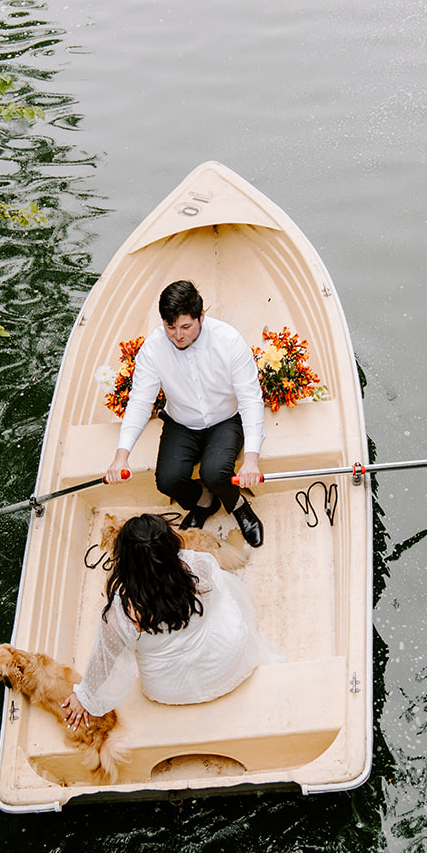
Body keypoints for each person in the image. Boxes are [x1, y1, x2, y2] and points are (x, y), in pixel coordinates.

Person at [62, 513, 274, 726]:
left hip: (169, 689)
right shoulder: (199, 565)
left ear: (124, 560)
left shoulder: (120, 612)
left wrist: (84, 697)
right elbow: (218, 594)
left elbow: (102, 661)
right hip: (226, 666)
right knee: (225, 590)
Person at [105, 279, 265, 548]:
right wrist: (121, 456)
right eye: (171, 327)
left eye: (186, 327)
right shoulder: (154, 348)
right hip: (181, 422)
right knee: (167, 480)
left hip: (225, 419)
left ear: (201, 316)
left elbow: (250, 399)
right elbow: (140, 401)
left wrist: (251, 459)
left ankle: (238, 506)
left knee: (216, 472)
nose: (178, 335)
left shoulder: (229, 340)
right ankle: (204, 502)